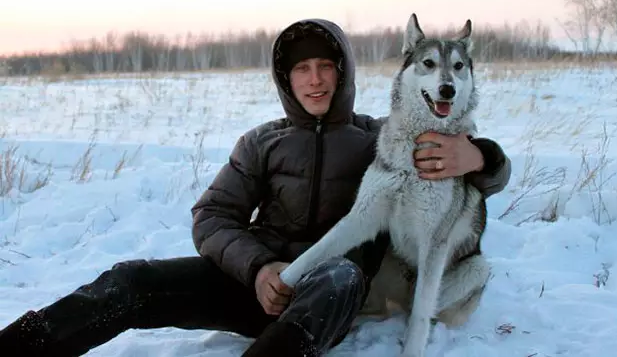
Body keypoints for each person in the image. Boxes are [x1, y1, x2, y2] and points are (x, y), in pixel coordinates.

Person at [0, 18, 511, 357]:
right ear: (286, 80)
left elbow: (480, 180)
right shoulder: (261, 142)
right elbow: (212, 217)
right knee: (133, 279)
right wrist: (258, 267)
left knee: (338, 275)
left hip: (327, 298)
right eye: (301, 69)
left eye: (326, 67)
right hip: (259, 286)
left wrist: (478, 155)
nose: (315, 80)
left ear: (344, 74)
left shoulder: (382, 139)